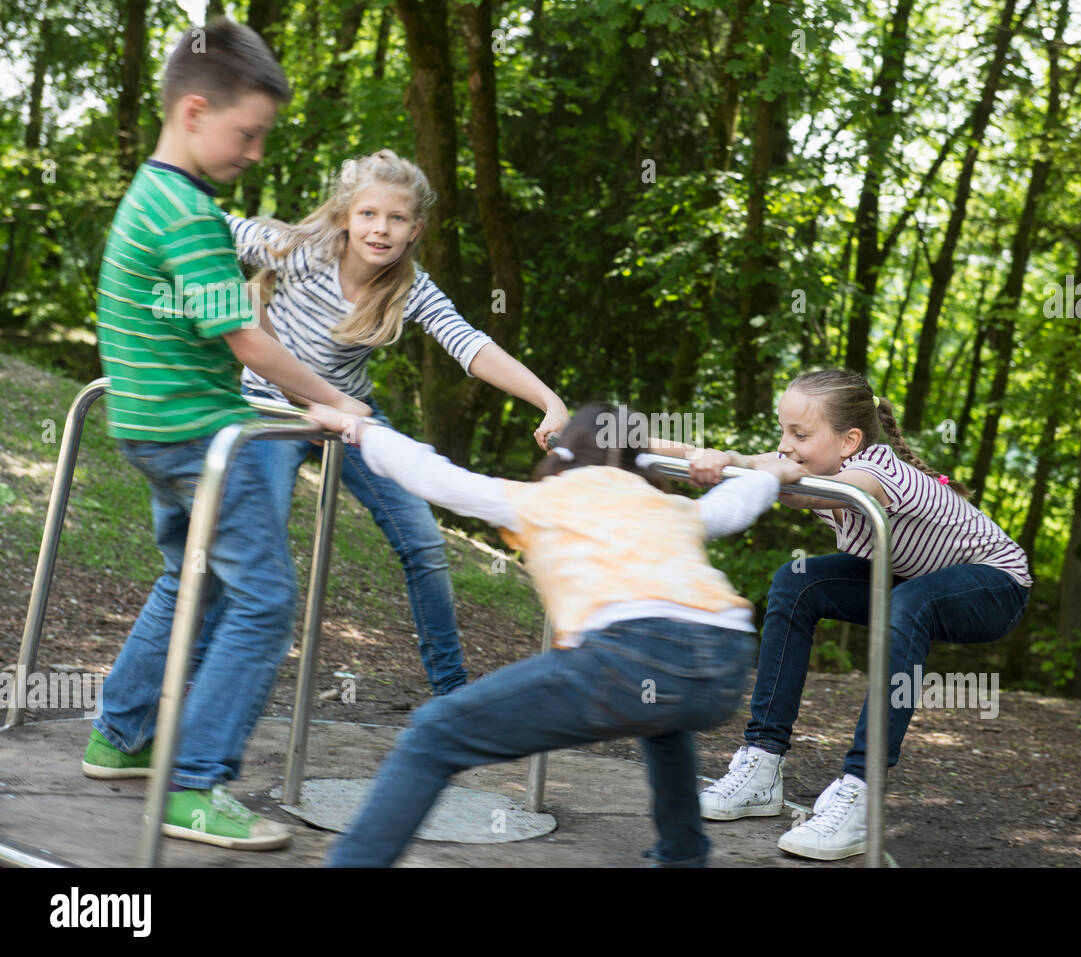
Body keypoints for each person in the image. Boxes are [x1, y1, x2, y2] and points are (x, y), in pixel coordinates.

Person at [83, 19, 375, 850]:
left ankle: (121, 735)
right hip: (203, 434)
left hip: (149, 428)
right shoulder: (187, 214)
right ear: (197, 110)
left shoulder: (153, 196)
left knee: (193, 580)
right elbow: (245, 340)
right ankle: (195, 782)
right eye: (247, 134)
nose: (254, 152)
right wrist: (333, 402)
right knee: (265, 599)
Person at [306, 402, 808, 866]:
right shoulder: (663, 506)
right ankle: (682, 854)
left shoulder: (547, 499)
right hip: (723, 657)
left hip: (627, 657)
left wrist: (362, 429)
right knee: (661, 716)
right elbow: (733, 505)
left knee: (434, 734)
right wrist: (777, 471)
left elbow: (434, 476)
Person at [223, 149, 568, 695]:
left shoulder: (410, 287)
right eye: (368, 214)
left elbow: (470, 345)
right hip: (272, 410)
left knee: (425, 545)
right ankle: (209, 682)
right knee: (256, 549)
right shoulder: (297, 250)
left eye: (396, 218)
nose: (380, 229)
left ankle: (452, 695)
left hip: (352, 415)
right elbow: (209, 227)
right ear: (344, 216)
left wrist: (548, 400)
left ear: (415, 229)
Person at [676, 368, 1032, 860]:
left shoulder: (875, 474)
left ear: (850, 441)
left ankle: (861, 792)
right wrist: (711, 457)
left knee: (913, 604)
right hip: (911, 575)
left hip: (996, 585)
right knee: (797, 582)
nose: (786, 444)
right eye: (782, 430)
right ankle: (761, 763)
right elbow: (752, 463)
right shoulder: (816, 460)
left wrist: (765, 472)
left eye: (799, 434)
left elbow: (805, 491)